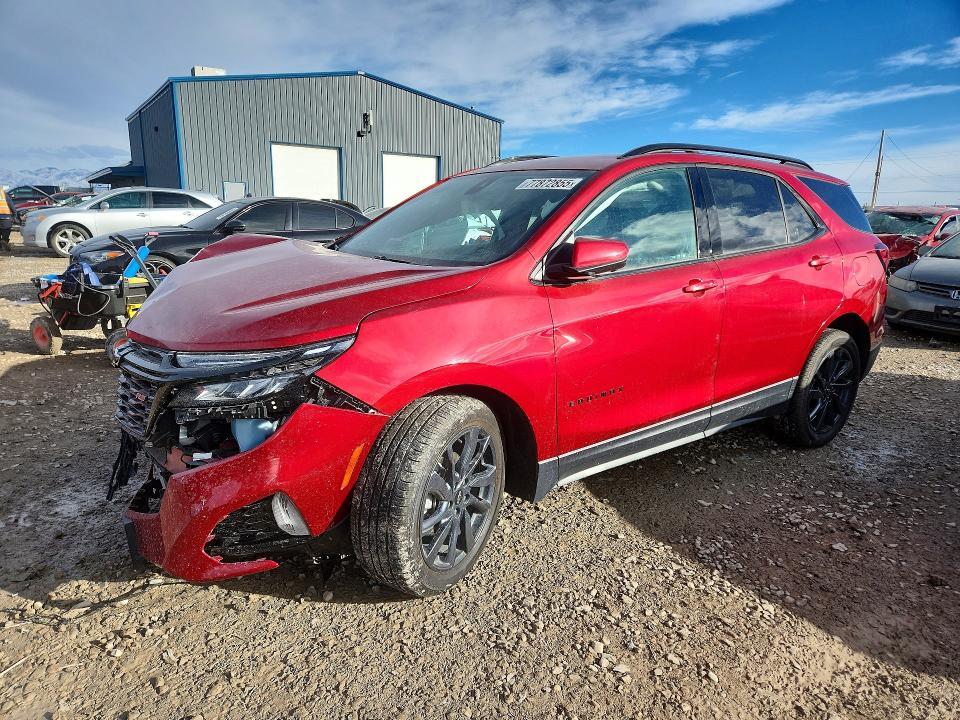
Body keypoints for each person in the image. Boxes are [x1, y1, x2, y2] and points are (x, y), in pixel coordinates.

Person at [0, 186, 15, 251]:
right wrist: (14, 215)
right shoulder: (4, 195)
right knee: (6, 231)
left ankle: (1, 246)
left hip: (5, 217)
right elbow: (11, 205)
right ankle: (4, 241)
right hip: (6, 217)